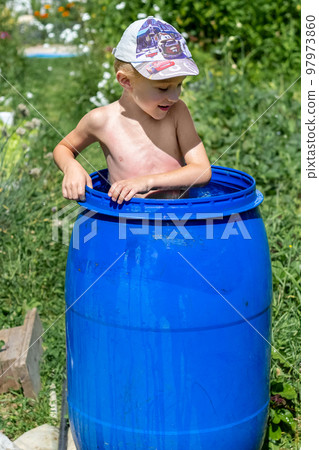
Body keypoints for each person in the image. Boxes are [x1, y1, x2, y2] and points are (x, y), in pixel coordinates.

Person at [53, 16, 212, 204]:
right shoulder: (102, 120)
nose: (174, 96)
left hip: (178, 214)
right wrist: (71, 167)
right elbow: (63, 148)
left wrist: (147, 182)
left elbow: (201, 170)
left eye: (179, 85)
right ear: (126, 81)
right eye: (163, 88)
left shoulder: (177, 112)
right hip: (128, 219)